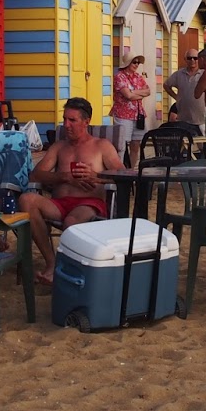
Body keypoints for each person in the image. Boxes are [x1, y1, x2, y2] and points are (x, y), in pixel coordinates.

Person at [19, 97, 125, 284]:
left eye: (72, 120)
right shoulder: (59, 147)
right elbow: (35, 175)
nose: (66, 125)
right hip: (59, 204)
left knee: (71, 221)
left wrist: (96, 176)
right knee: (27, 199)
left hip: (88, 204)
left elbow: (125, 175)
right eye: (64, 119)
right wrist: (64, 177)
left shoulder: (101, 146)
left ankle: (63, 270)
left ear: (86, 121)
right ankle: (52, 264)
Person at [110, 53, 152, 164]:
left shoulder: (138, 76)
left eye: (138, 62)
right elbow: (127, 96)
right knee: (121, 145)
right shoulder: (119, 76)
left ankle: (132, 171)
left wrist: (133, 92)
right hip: (123, 114)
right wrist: (138, 94)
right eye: (134, 62)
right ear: (127, 63)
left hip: (138, 114)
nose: (137, 64)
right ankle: (119, 170)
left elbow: (148, 91)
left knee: (136, 145)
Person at [163, 52, 205, 131]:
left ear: (199, 59)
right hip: (184, 119)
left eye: (195, 58)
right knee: (186, 142)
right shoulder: (179, 74)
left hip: (202, 119)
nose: (192, 60)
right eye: (189, 58)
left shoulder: (204, 74)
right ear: (185, 59)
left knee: (204, 142)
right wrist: (176, 97)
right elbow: (166, 85)